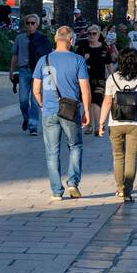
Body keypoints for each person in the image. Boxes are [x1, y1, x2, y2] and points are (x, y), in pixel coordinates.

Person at [32, 26, 91, 201]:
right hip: (70, 110)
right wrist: (87, 111)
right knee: (75, 146)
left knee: (52, 152)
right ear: (71, 41)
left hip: (49, 111)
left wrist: (43, 105)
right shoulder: (78, 60)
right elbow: (85, 89)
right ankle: (72, 182)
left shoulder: (44, 60)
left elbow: (36, 90)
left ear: (55, 40)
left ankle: (57, 191)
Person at [100, 49, 137, 203]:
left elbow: (107, 102)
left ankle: (119, 188)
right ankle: (128, 191)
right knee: (131, 158)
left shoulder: (112, 78)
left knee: (118, 157)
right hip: (136, 123)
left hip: (115, 123)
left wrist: (101, 123)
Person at [10, 14, 52, 136]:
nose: (30, 25)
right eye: (28, 23)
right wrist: (11, 70)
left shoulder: (42, 38)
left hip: (38, 72)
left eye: (33, 23)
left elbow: (47, 56)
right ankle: (26, 118)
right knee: (23, 99)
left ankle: (33, 125)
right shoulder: (20, 38)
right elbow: (14, 55)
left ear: (37, 24)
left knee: (34, 100)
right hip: (24, 71)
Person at [76, 25, 110, 136]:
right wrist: (83, 59)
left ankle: (98, 126)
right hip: (84, 79)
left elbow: (109, 65)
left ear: (99, 34)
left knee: (96, 102)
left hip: (99, 79)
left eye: (94, 33)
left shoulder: (104, 48)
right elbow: (75, 62)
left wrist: (113, 78)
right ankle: (88, 125)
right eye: (89, 34)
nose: (91, 36)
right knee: (87, 103)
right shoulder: (83, 47)